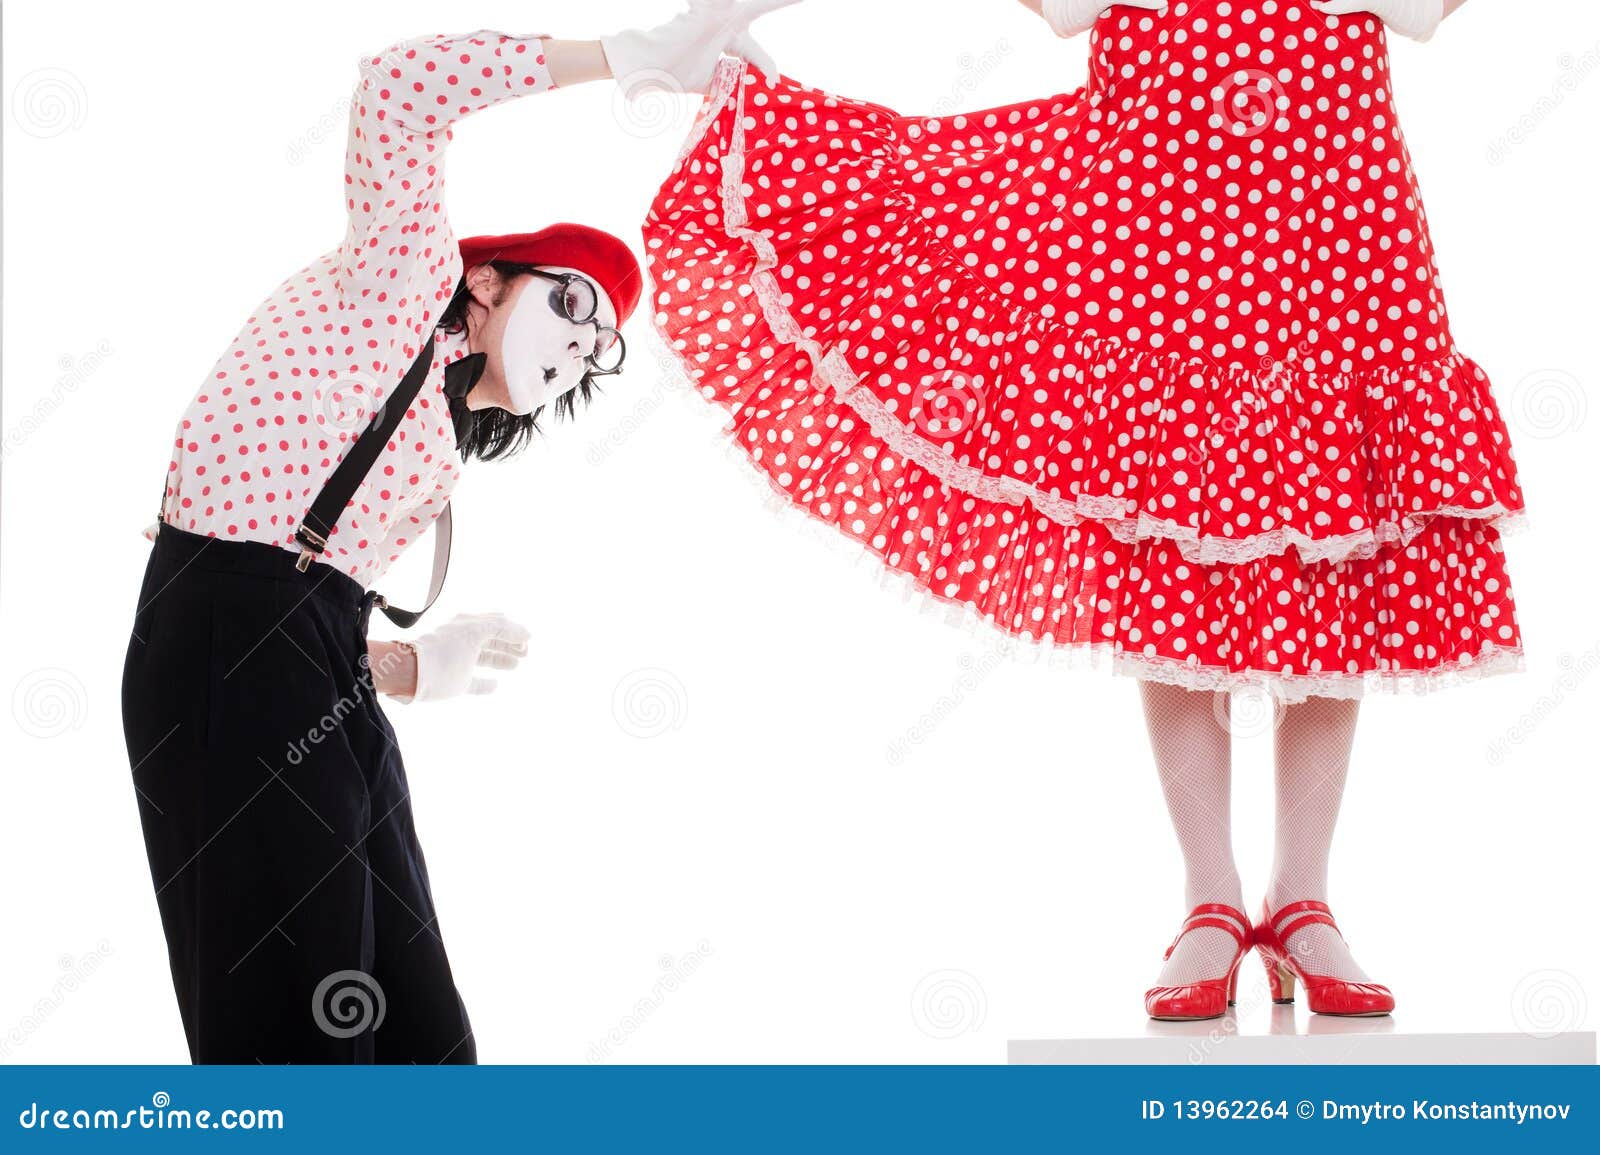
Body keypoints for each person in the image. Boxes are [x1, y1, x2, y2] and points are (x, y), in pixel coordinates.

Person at [642, 0, 1521, 1020]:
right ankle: (1209, 895)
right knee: (1170, 558)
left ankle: (1303, 895)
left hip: (1338, 237)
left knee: (1334, 546)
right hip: (1152, 240)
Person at [121, 2, 797, 1064]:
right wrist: (621, 57)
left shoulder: (432, 452)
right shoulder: (400, 280)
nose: (582, 347)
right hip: (224, 628)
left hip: (308, 664)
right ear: (485, 282)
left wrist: (395, 666)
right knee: (292, 1012)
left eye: (600, 350)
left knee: (418, 1026)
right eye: (572, 304)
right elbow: (398, 88)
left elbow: (302, 604)